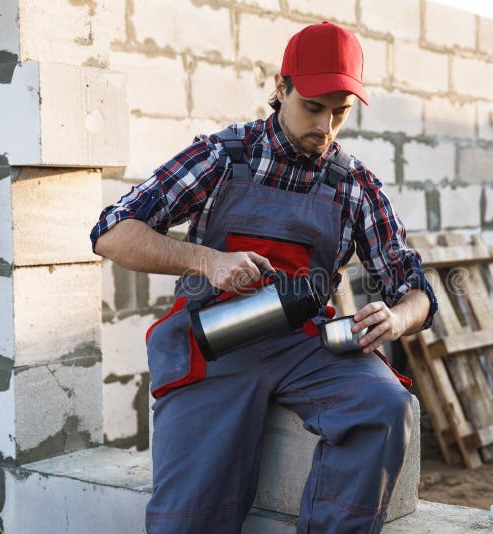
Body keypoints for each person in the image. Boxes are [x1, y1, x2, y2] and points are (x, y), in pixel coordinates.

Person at [91, 21, 438, 534]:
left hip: (303, 344)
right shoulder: (222, 156)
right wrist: (206, 261)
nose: (326, 127)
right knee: (188, 520)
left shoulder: (355, 185)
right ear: (282, 88)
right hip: (215, 341)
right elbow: (112, 232)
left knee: (386, 407)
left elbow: (415, 289)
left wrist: (397, 316)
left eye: (340, 113)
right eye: (313, 108)